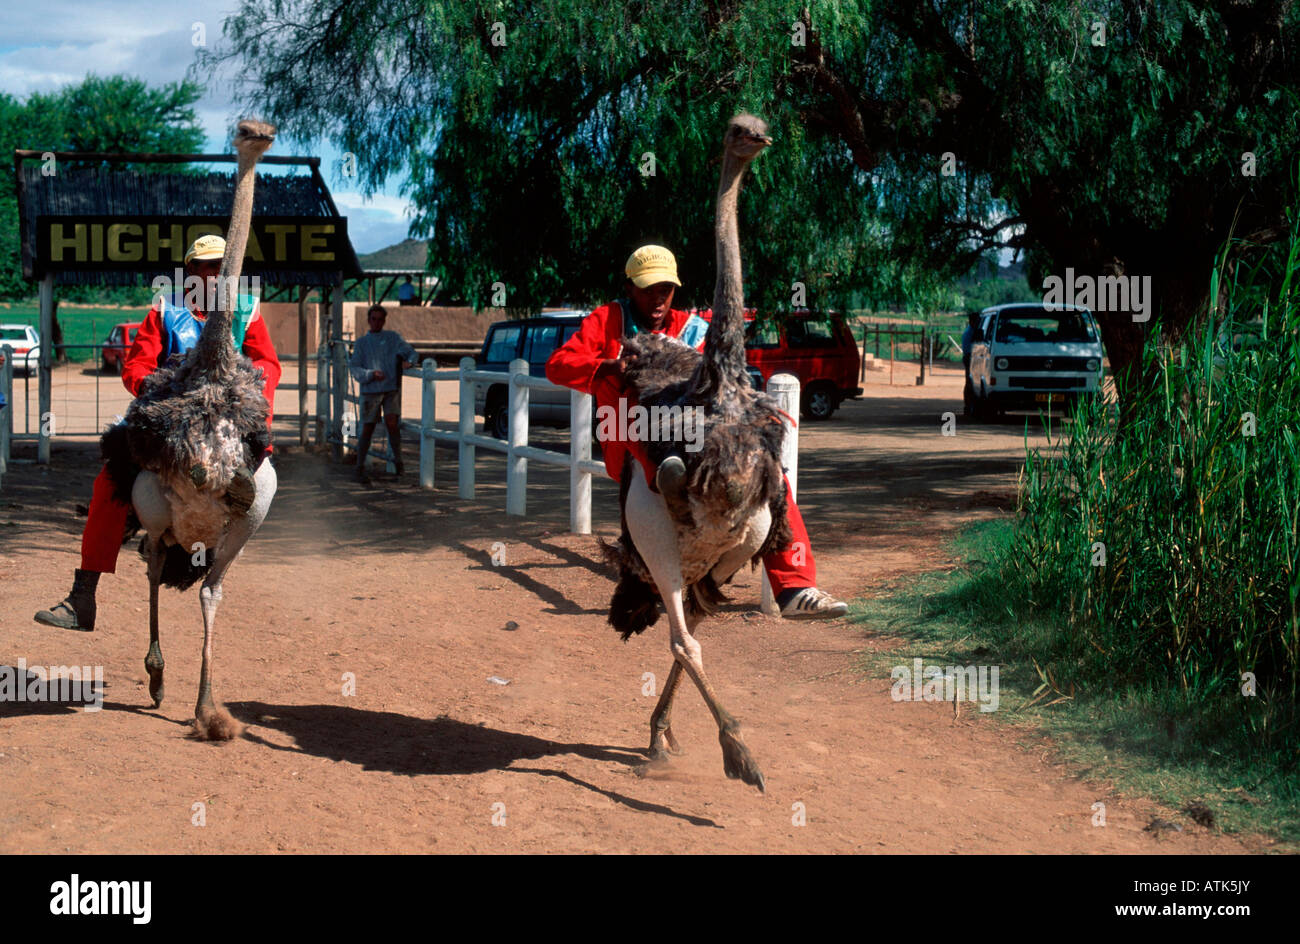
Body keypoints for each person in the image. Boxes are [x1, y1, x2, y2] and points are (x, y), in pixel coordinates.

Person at [545, 244, 848, 620]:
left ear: (675, 290)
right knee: (652, 438)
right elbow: (558, 365)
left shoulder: (693, 329)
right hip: (628, 432)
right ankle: (658, 547)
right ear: (629, 288)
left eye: (665, 290)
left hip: (696, 437)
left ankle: (795, 586)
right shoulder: (607, 321)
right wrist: (609, 367)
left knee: (770, 475)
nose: (657, 298)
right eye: (647, 288)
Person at [34, 235, 282, 632]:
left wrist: (252, 396)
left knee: (261, 462)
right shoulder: (168, 310)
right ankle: (84, 595)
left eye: (223, 265)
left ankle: (221, 535)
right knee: (111, 478)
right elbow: (137, 366)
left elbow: (267, 363)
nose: (216, 273)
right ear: (192, 273)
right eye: (207, 266)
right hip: (174, 415)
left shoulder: (246, 310)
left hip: (230, 416)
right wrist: (161, 392)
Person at [348, 304, 418, 483]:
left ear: (384, 321)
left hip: (390, 389)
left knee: (392, 424)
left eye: (380, 319)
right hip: (371, 390)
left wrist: (409, 362)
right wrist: (370, 374)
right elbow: (355, 367)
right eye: (374, 319)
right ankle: (360, 465)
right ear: (368, 320)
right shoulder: (362, 343)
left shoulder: (393, 338)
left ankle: (398, 462)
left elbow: (411, 352)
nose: (377, 322)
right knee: (368, 427)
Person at [961, 311, 981, 415]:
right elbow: (969, 351)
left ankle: (970, 405)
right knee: (969, 383)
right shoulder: (969, 333)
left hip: (970, 357)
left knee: (970, 382)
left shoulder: (971, 331)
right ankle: (968, 405)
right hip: (969, 358)